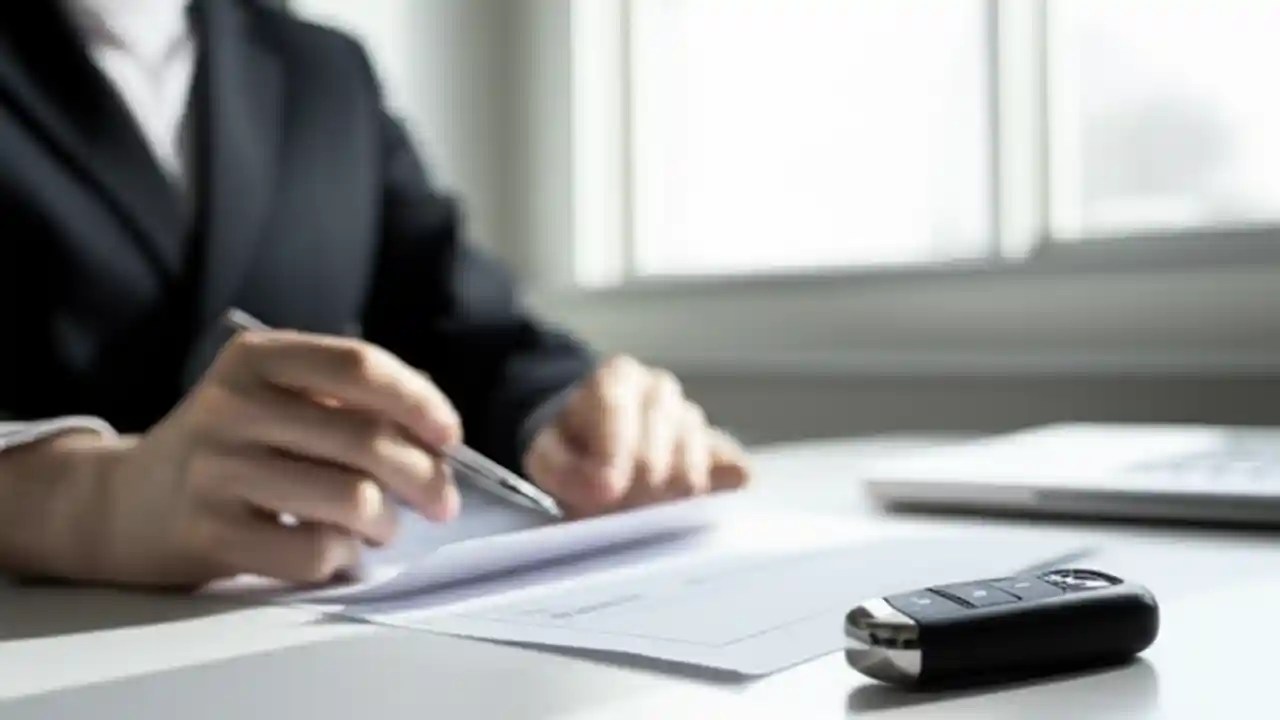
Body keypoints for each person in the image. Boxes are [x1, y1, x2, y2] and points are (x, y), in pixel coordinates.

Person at [0, 0, 749, 589]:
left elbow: (458, 318)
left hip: (306, 645)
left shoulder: (322, 68)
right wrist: (73, 502)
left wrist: (576, 417)